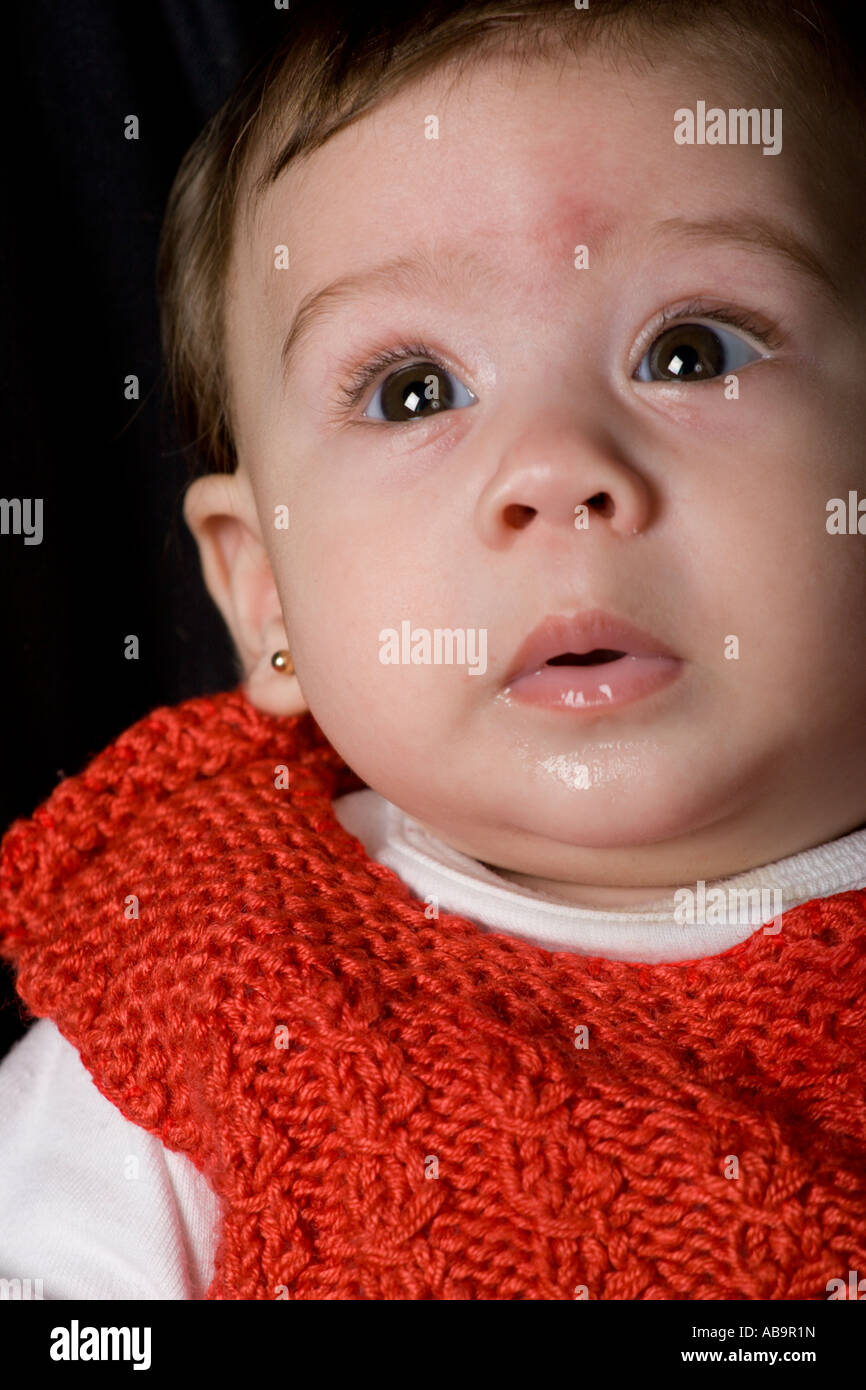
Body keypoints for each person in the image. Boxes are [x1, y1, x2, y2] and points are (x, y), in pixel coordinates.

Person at [2, 0, 865, 1300]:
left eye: (690, 351)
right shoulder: (203, 968)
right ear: (267, 597)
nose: (555, 469)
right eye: (413, 388)